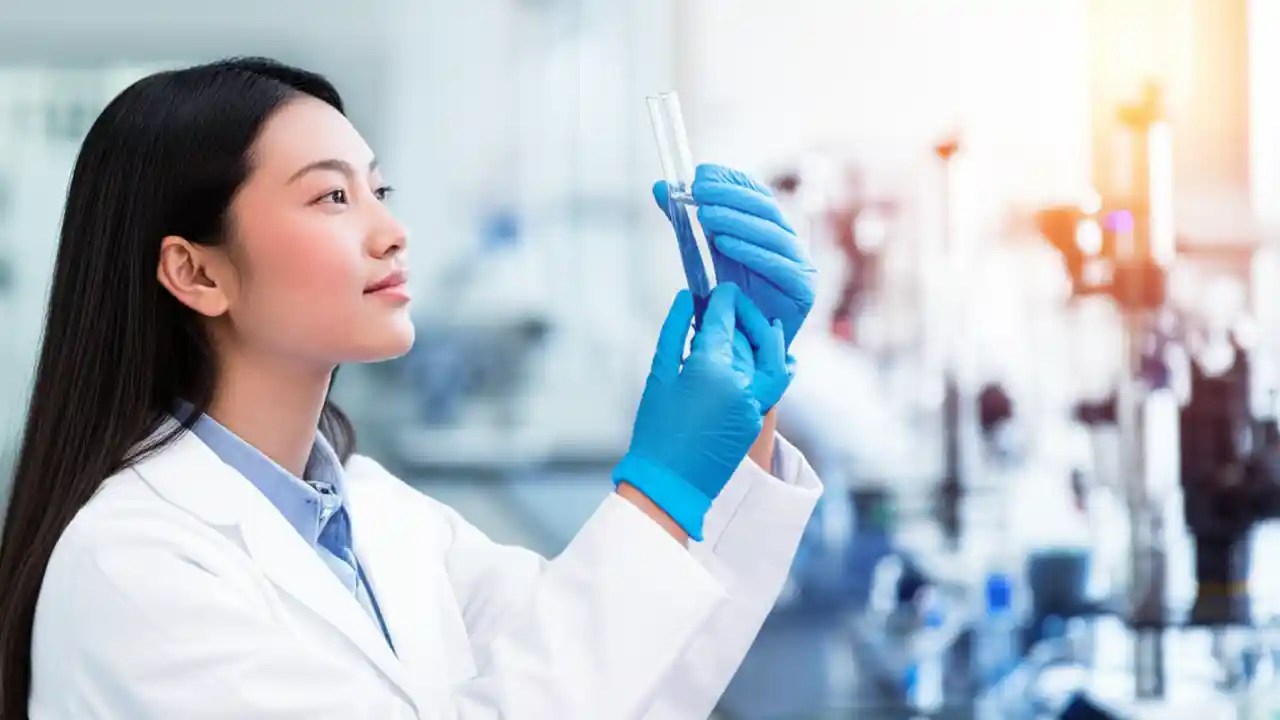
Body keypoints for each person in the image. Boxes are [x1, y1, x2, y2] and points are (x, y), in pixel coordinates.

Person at [0, 58, 822, 718]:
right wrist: (660, 490)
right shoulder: (133, 570)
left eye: (378, 191)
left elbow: (636, 676)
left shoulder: (379, 518)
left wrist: (745, 403)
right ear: (195, 271)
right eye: (332, 196)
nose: (391, 231)